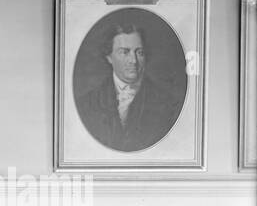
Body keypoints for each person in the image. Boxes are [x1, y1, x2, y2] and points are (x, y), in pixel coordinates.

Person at [75, 23, 183, 152]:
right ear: (109, 57)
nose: (133, 60)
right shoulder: (87, 103)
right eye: (124, 52)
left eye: (140, 52)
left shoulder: (168, 104)